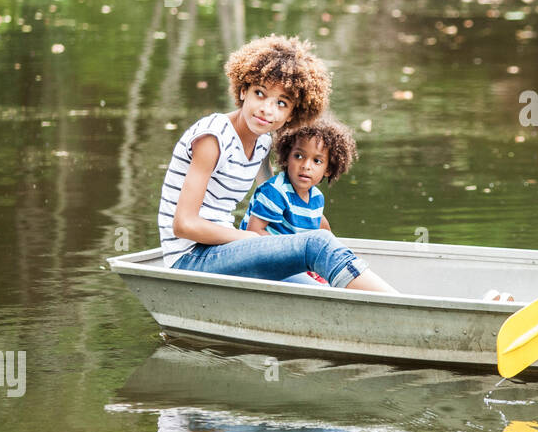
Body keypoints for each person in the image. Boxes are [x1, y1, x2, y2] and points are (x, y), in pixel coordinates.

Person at [158, 34, 396, 293]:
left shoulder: (261, 143)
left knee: (317, 287)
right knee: (316, 244)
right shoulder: (212, 138)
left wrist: (309, 226)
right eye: (260, 94)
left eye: (281, 103)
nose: (267, 110)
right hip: (190, 258)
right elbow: (184, 224)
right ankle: (402, 306)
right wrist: (250, 238)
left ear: (291, 114)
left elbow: (282, 197)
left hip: (225, 249)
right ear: (243, 90)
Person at [240, 116, 357, 284]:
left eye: (317, 161)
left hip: (291, 262)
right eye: (299, 156)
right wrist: (297, 255)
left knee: (333, 282)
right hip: (261, 261)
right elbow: (254, 232)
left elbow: (323, 230)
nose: (306, 166)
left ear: (328, 169)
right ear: (287, 158)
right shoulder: (276, 191)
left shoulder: (316, 197)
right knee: (320, 288)